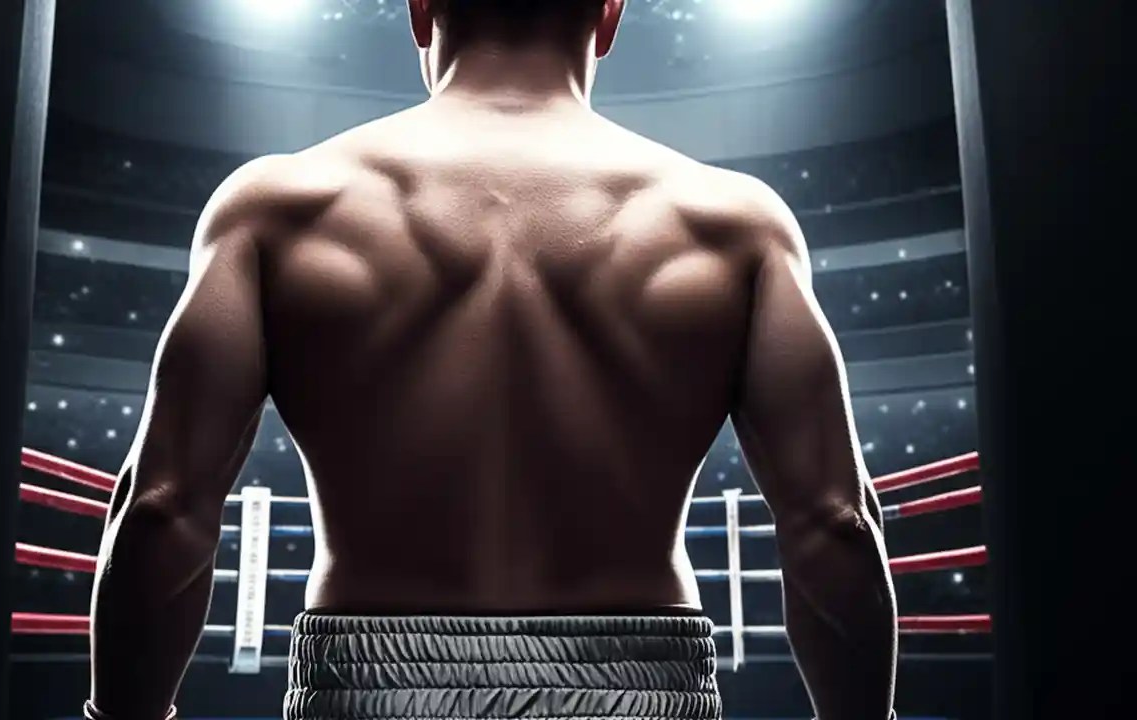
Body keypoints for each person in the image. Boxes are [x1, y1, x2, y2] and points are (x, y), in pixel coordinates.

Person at [84, 0, 898, 718]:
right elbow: (834, 523)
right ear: (608, 16)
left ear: (421, 10)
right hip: (638, 689)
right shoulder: (730, 225)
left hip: (367, 688)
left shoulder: (281, 209)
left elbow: (161, 508)